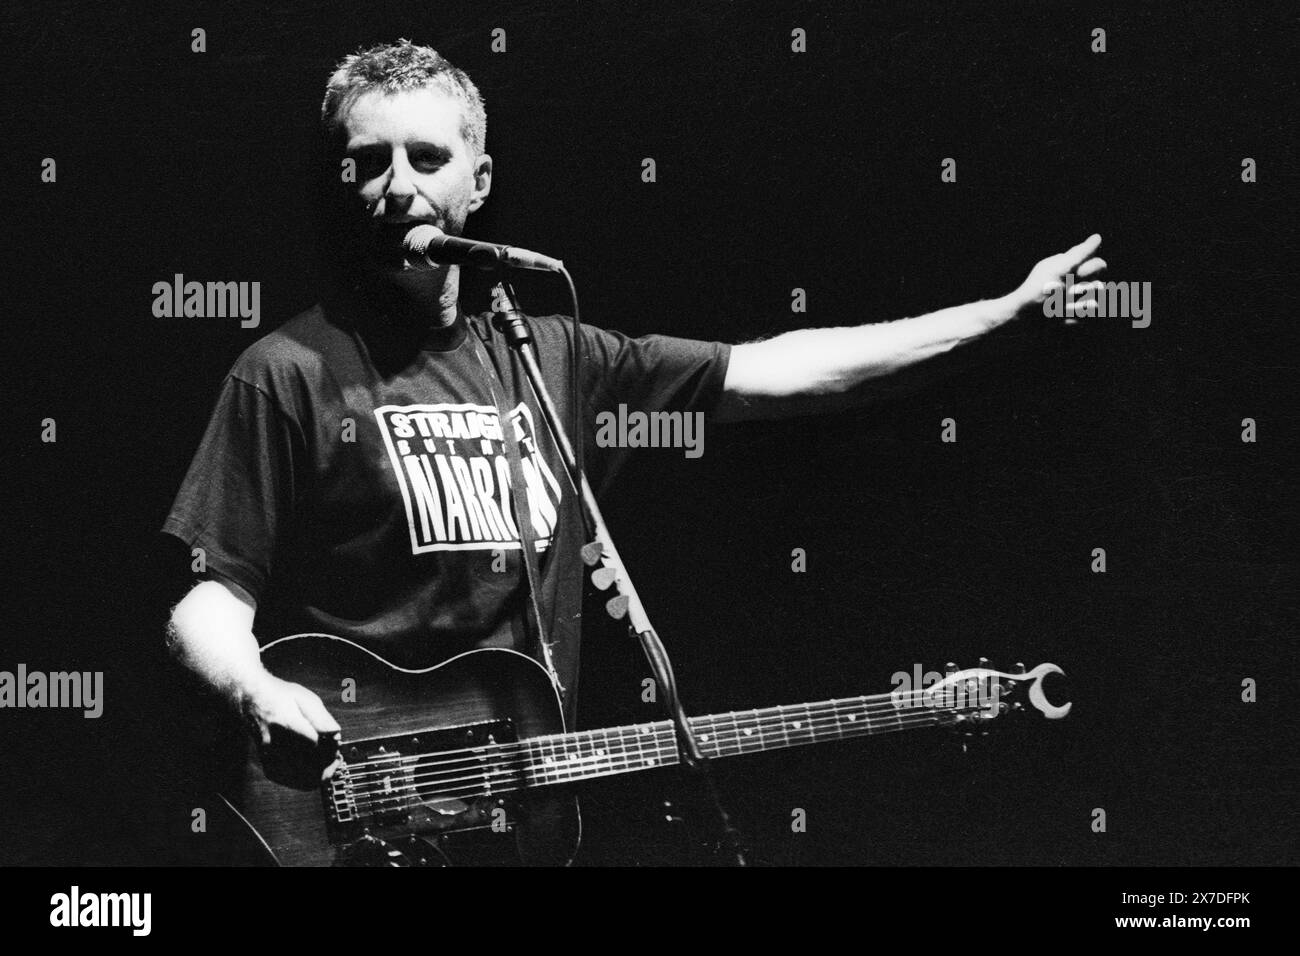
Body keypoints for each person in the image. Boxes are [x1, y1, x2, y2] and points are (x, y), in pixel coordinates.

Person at [163, 39, 1107, 791]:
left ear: (478, 182)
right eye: (368, 162)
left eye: (426, 157)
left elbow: (782, 372)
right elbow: (207, 597)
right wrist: (253, 688)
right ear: (341, 182)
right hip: (362, 803)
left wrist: (998, 317)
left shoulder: (552, 356)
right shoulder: (283, 372)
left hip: (520, 808)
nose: (398, 185)